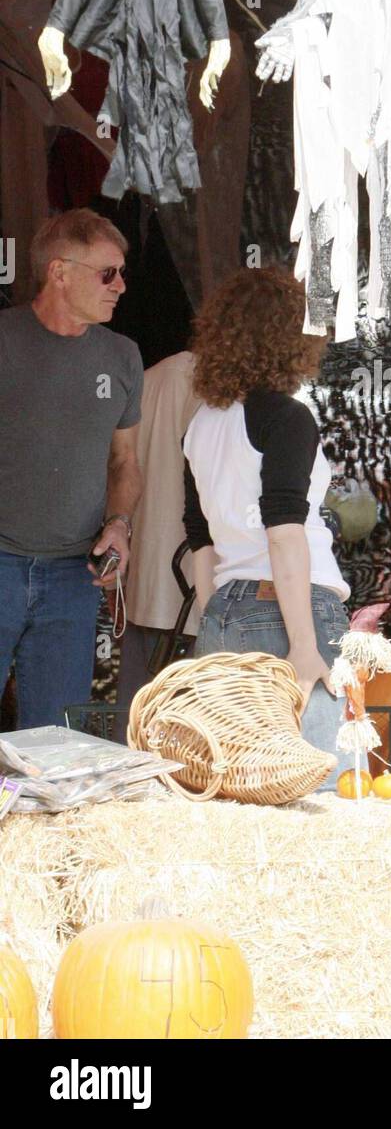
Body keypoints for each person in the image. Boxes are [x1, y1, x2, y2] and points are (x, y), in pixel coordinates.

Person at [182, 266, 352, 788]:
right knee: (319, 784)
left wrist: (215, 614)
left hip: (225, 606)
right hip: (292, 609)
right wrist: (304, 645)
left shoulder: (202, 423)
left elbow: (200, 538)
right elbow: (284, 531)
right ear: (292, 341)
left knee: (237, 785)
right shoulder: (287, 417)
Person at [0, 208, 143, 728]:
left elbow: (125, 461)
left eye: (122, 272)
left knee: (53, 742)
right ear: (59, 272)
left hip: (72, 575)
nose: (121, 286)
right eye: (108, 273)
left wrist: (120, 525)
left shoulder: (123, 357)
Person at [117, 351, 201, 718]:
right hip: (200, 582)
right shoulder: (221, 385)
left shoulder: (145, 381)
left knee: (137, 714)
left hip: (145, 580)